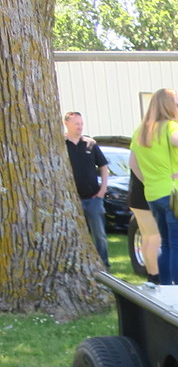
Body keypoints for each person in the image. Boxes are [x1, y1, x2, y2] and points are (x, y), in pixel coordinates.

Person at [130, 88, 178, 286]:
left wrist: (150, 181)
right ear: (170, 107)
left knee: (166, 245)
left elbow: (133, 164)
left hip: (154, 195)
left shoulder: (140, 132)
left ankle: (165, 288)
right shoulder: (171, 128)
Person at [64, 110, 110, 267]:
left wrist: (102, 190)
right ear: (67, 123)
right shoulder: (61, 144)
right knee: (73, 234)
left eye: (81, 124)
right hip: (72, 200)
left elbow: (103, 166)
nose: (80, 127)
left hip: (93, 198)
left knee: (100, 234)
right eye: (76, 124)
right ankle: (76, 265)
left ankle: (104, 264)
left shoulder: (90, 144)